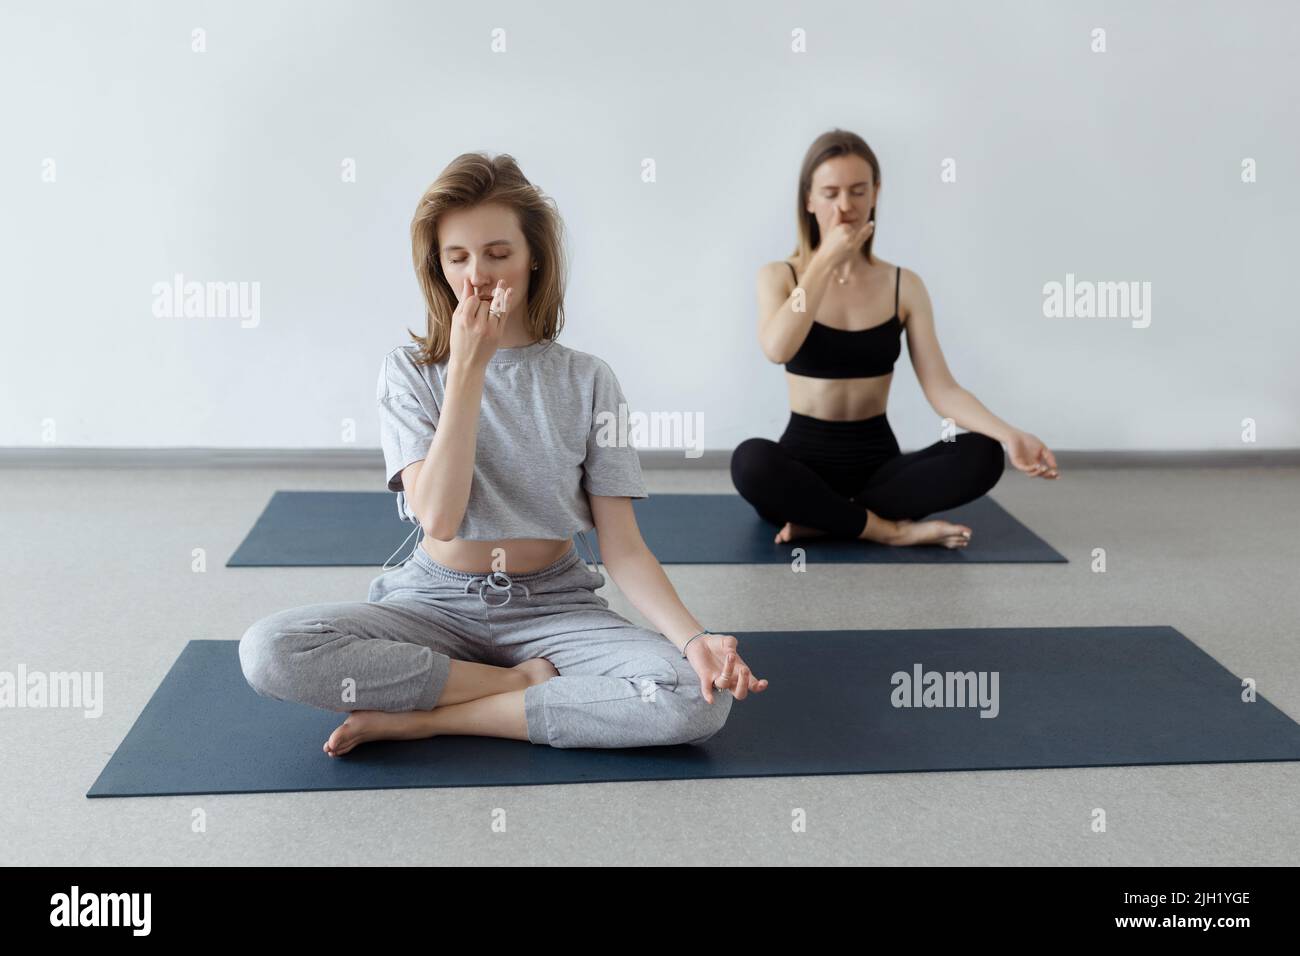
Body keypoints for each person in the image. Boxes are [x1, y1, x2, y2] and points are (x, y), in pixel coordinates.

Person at [239, 152, 767, 757]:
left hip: (554, 607)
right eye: (457, 258)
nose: (478, 276)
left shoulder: (591, 380)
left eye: (498, 254)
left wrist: (695, 639)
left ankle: (435, 717)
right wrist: (466, 368)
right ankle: (514, 687)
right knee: (269, 649)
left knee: (692, 699)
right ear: (437, 267)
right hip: (433, 605)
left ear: (533, 258)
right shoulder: (408, 373)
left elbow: (622, 546)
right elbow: (437, 517)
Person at [731, 129, 1059, 549]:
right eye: (830, 193)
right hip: (801, 465)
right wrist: (825, 261)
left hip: (879, 468)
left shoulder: (904, 285)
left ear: (875, 194)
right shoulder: (781, 276)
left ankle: (831, 518)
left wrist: (1010, 434)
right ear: (809, 200)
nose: (845, 207)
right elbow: (778, 348)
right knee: (750, 462)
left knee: (984, 453)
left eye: (857, 191)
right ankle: (887, 529)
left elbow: (943, 389)